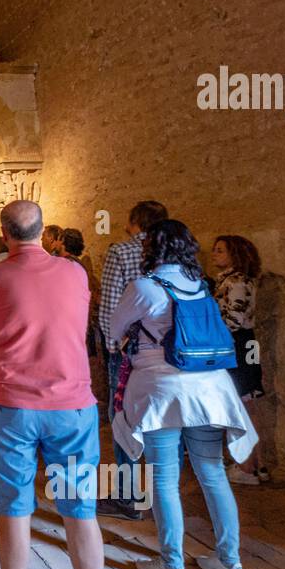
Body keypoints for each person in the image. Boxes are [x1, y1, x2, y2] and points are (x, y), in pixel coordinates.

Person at [0, 201, 115, 569]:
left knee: (14, 506)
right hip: (71, 405)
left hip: (9, 402)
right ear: (43, 230)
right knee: (79, 509)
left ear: (3, 231)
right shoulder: (74, 274)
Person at [109, 219, 255, 569]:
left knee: (163, 478)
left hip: (162, 391)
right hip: (208, 390)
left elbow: (114, 329)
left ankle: (172, 567)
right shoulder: (200, 284)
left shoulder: (144, 286)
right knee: (212, 474)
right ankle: (230, 564)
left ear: (150, 248)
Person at [96, 199, 169, 520]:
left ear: (134, 222)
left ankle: (128, 496)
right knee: (160, 421)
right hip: (168, 351)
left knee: (124, 420)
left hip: (130, 352)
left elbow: (111, 307)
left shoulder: (121, 252)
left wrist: (113, 348)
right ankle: (163, 495)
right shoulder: (173, 251)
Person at [211, 235, 269, 485]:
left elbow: (232, 320)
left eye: (220, 250)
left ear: (235, 254)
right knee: (247, 404)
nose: (214, 254)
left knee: (240, 407)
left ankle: (246, 468)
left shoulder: (235, 282)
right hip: (242, 343)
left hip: (235, 345)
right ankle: (258, 465)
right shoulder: (236, 280)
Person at [57, 228, 101, 358]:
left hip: (68, 324)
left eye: (59, 239)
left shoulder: (65, 264)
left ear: (63, 241)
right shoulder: (79, 264)